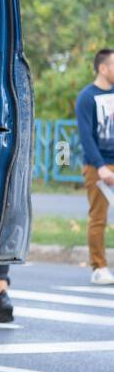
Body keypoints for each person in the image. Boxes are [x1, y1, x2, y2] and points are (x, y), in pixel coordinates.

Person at [74, 48, 114, 285]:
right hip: (98, 167)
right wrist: (100, 167)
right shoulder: (86, 97)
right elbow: (86, 137)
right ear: (103, 68)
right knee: (98, 218)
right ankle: (98, 268)